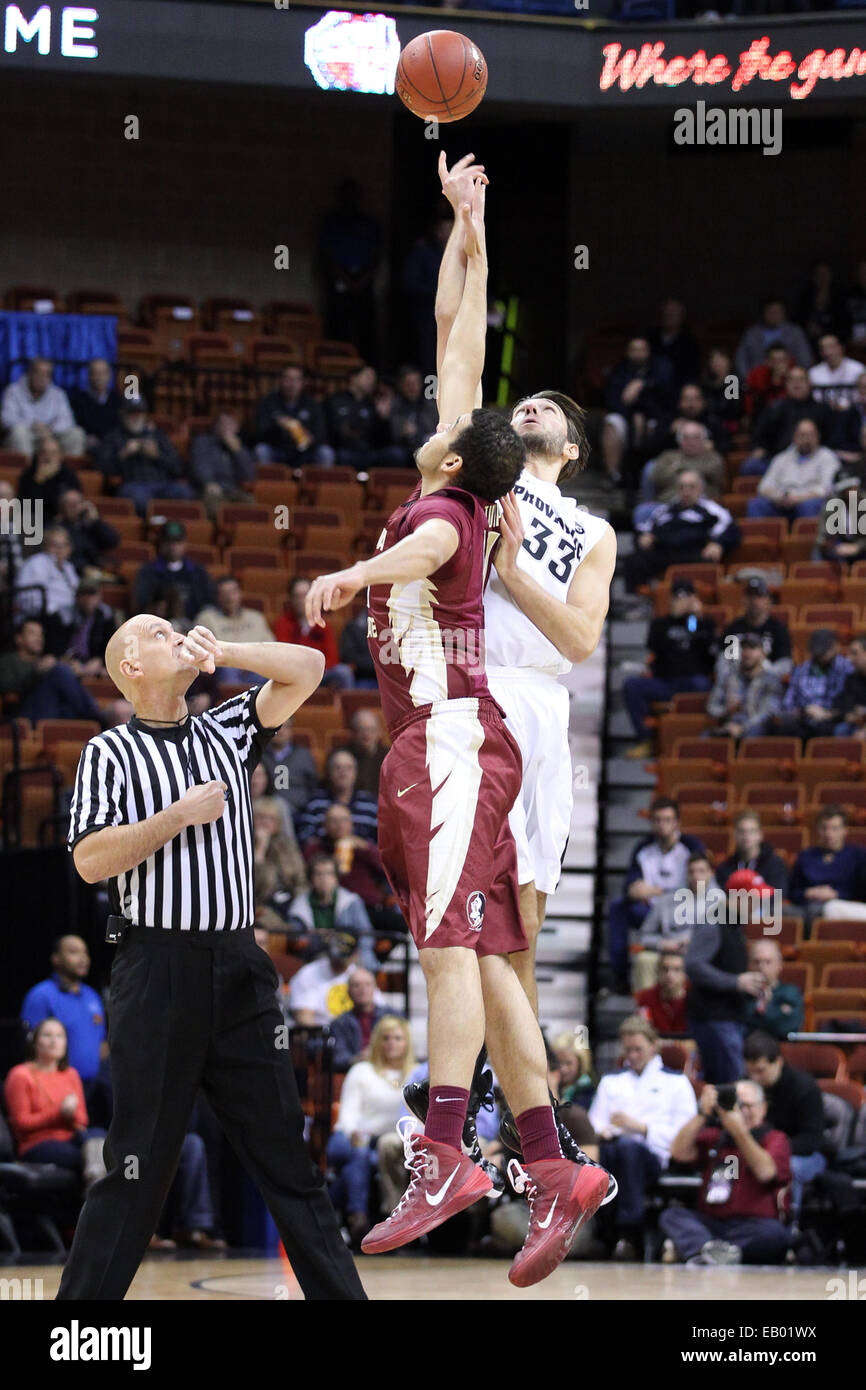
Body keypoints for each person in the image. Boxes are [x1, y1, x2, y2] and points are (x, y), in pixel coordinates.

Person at [305, 165, 610, 1285]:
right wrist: (468, 231)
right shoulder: (465, 476)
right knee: (486, 960)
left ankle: (448, 1151)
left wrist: (348, 573)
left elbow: (460, 370)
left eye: (477, 414)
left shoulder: (459, 500)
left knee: (462, 953)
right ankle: (547, 1158)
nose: (476, 404)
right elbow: (454, 332)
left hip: (471, 733)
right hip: (472, 731)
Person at [56, 611, 366, 1300]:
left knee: (290, 1161)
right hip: (155, 970)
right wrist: (175, 818)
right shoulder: (110, 752)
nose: (178, 636)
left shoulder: (225, 727)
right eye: (158, 634)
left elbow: (309, 669)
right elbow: (87, 860)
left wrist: (226, 650)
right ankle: (76, 1330)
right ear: (130, 666)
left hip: (238, 970)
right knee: (136, 1167)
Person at [588, 1016, 697, 1261]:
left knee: (628, 1149)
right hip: (613, 1149)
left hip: (653, 1155)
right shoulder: (611, 1081)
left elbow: (685, 1134)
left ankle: (629, 1231)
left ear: (653, 1045)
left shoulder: (676, 1082)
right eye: (628, 1050)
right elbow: (595, 1122)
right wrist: (603, 1131)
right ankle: (602, 1230)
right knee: (603, 1154)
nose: (633, 1055)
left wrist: (643, 1128)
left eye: (638, 1049)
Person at [661, 1079, 791, 1265]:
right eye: (737, 1105)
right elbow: (678, 1153)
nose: (742, 1111)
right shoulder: (716, 1136)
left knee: (775, 1234)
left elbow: (766, 1172)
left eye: (748, 1105)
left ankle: (710, 1252)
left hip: (753, 1225)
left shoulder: (775, 1138)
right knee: (672, 1216)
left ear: (763, 1108)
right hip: (710, 1223)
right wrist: (701, 1114)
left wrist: (738, 1130)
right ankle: (711, 1250)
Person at [326, 1015, 415, 1247]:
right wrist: (354, 1132)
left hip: (395, 1139)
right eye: (385, 1038)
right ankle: (357, 1217)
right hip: (355, 1136)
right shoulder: (362, 1070)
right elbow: (348, 1113)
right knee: (359, 1153)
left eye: (397, 1038)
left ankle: (340, 1216)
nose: (391, 1043)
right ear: (376, 1041)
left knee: (363, 1158)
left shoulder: (415, 1074)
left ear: (406, 1042)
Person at [608, 797, 705, 993]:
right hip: (650, 909)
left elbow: (700, 880)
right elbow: (633, 889)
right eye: (657, 820)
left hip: (683, 907)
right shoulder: (643, 848)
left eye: (667, 819)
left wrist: (654, 890)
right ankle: (620, 975)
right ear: (651, 822)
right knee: (618, 906)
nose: (662, 825)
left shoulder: (691, 845)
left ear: (677, 822)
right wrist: (650, 892)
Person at [622, 579, 718, 757]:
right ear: (671, 600)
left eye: (686, 597)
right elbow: (655, 647)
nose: (682, 601)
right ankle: (646, 740)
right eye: (678, 598)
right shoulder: (660, 624)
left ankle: (704, 737)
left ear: (694, 599)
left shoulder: (706, 624)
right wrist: (674, 618)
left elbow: (713, 652)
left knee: (703, 685)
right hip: (665, 682)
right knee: (632, 686)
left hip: (695, 682)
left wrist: (697, 619)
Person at [3, 1019, 104, 1183]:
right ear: (35, 1042)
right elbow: (21, 1124)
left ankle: (96, 1195)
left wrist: (71, 1114)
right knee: (89, 1157)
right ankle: (97, 1201)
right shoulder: (20, 1075)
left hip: (71, 1136)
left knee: (99, 1134)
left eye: (59, 1036)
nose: (54, 1041)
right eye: (47, 1035)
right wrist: (59, 1112)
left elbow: (83, 1120)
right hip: (37, 1143)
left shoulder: (71, 1074)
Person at [744, 1031, 826, 1221]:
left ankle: (788, 1225)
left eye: (761, 1071)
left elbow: (812, 1140)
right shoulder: (746, 1087)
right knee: (731, 1160)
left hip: (802, 1154)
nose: (755, 1078)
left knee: (789, 1167)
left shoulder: (805, 1088)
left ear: (778, 1061)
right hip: (758, 1149)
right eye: (751, 1071)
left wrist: (775, 1151)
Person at [685, 882, 760, 1083]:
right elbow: (693, 965)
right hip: (713, 1017)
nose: (756, 906)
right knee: (730, 1082)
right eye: (753, 900)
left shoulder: (734, 925)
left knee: (729, 1080)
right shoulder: (713, 923)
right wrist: (735, 982)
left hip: (728, 1016)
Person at [20, 935, 107, 1103]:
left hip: (93, 1089)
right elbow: (30, 1047)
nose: (83, 958)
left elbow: (102, 1041)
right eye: (74, 952)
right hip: (55, 1090)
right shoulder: (41, 995)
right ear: (56, 959)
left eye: (85, 952)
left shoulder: (92, 996)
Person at [625, 471, 740, 592]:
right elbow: (644, 530)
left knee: (707, 561)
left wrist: (718, 543)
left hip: (694, 552)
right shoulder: (664, 511)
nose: (686, 491)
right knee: (634, 561)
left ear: (701, 489)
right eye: (682, 487)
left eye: (691, 486)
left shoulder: (711, 510)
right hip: (665, 552)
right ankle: (637, 602)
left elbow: (731, 529)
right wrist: (643, 537)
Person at [303, 803, 402, 937]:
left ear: (351, 824)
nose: (339, 825)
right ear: (325, 825)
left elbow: (390, 871)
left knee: (401, 924)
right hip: (334, 907)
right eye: (333, 821)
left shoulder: (362, 847)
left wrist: (366, 848)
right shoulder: (316, 849)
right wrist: (333, 863)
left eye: (344, 820)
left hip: (368, 906)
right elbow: (308, 876)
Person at [631, 851, 722, 992]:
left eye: (701, 871)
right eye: (691, 871)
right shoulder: (667, 900)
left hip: (700, 956)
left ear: (711, 873)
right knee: (644, 959)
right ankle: (646, 1009)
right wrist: (663, 944)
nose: (696, 876)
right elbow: (642, 937)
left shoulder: (721, 903)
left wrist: (694, 944)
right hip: (666, 953)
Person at [99, 397, 193, 515]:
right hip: (133, 484)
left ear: (144, 415)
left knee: (184, 493)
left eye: (138, 413)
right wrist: (124, 454)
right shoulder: (114, 437)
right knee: (138, 498)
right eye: (131, 414)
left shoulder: (158, 436)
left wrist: (158, 455)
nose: (135, 418)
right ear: (123, 415)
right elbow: (103, 467)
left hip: (162, 484)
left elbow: (178, 467)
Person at [0, 617, 104, 723]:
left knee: (69, 708)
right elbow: (8, 689)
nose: (39, 638)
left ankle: (96, 719)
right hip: (24, 711)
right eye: (32, 633)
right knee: (59, 671)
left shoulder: (44, 660)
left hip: (50, 709)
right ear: (19, 638)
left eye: (41, 634)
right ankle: (99, 718)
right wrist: (36, 672)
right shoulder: (7, 661)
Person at [602, 336, 675, 481]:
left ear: (648, 351)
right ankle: (613, 476)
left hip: (655, 418)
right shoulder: (620, 371)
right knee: (611, 422)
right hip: (625, 416)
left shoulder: (658, 369)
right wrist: (631, 413)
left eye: (642, 349)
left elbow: (666, 397)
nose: (638, 353)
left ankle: (654, 478)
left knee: (654, 426)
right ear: (628, 352)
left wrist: (642, 385)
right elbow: (612, 402)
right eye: (634, 350)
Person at [285, 855, 376, 969]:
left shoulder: (351, 901)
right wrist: (320, 939)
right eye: (318, 874)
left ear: (336, 878)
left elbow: (367, 936)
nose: (324, 879)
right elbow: (297, 941)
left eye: (329, 873)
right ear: (310, 878)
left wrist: (349, 949)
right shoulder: (299, 906)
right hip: (316, 957)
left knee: (364, 965)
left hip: (350, 956)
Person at [743, 364, 832, 476]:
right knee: (751, 466)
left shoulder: (822, 410)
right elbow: (759, 436)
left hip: (815, 462)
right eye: (792, 380)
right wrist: (758, 448)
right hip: (779, 463)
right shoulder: (775, 408)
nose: (796, 384)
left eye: (801, 379)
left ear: (809, 383)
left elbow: (830, 440)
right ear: (786, 384)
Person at [634, 421, 724, 528]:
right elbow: (657, 477)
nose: (691, 442)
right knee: (642, 511)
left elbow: (714, 473)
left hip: (699, 505)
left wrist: (677, 469)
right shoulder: (668, 456)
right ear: (679, 440)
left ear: (704, 440)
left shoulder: (713, 458)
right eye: (686, 438)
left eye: (696, 437)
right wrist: (696, 471)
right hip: (667, 504)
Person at [746, 418, 838, 521]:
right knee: (756, 505)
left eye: (811, 435)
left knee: (809, 506)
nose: (807, 439)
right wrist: (779, 497)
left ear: (818, 437)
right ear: (794, 437)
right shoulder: (781, 458)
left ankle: (806, 537)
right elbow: (763, 487)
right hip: (781, 502)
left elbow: (826, 489)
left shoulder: (827, 457)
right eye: (802, 435)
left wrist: (797, 498)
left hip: (809, 502)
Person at [789, 804, 866, 926]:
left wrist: (837, 894)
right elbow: (792, 891)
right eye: (824, 828)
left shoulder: (858, 855)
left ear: (844, 830)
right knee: (773, 911)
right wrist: (807, 893)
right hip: (806, 907)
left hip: (840, 907)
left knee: (830, 908)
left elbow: (861, 891)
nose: (829, 834)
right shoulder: (806, 856)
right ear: (818, 830)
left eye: (834, 828)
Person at [773, 629, 852, 743]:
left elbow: (850, 704)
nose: (820, 655)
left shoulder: (847, 669)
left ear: (836, 646)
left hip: (833, 718)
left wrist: (827, 714)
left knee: (829, 729)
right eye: (817, 651)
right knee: (781, 727)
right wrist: (802, 711)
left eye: (824, 651)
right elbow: (788, 703)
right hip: (803, 718)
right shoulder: (801, 670)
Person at [274, 576, 354, 689]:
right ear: (291, 599)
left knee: (344, 672)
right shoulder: (283, 623)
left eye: (305, 596)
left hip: (320, 673)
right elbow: (284, 655)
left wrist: (316, 670)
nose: (301, 600)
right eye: (297, 596)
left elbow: (332, 657)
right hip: (292, 672)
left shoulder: (322, 623)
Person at [704, 631, 784, 740]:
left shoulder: (771, 680)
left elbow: (767, 713)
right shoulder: (728, 677)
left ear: (762, 653)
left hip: (756, 728)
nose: (747, 652)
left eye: (752, 648)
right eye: (743, 648)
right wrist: (726, 710)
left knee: (753, 736)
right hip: (729, 726)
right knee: (705, 738)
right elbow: (711, 707)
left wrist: (742, 727)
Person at [325, 364, 405, 472]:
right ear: (354, 378)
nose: (372, 381)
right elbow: (334, 432)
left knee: (396, 454)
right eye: (368, 376)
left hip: (369, 452)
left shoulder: (372, 404)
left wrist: (383, 419)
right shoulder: (335, 401)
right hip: (346, 451)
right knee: (339, 455)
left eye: (374, 378)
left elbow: (382, 440)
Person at [288, 926, 372, 1028]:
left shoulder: (360, 976)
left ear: (355, 954)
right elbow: (303, 1018)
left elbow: (375, 1009)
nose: (338, 962)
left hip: (354, 1034)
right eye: (336, 957)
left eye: (343, 958)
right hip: (320, 1035)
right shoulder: (308, 974)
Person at [1, 357, 86, 457]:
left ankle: (66, 472)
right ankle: (27, 471)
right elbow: (7, 419)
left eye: (47, 374)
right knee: (19, 432)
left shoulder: (58, 394)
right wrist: (33, 425)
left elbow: (67, 420)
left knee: (76, 434)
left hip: (51, 435)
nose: (42, 377)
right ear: (29, 373)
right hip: (27, 435)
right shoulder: (13, 391)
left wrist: (49, 429)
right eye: (38, 372)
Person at [195, 576, 275, 681]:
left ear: (240, 594)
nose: (230, 598)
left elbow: (271, 647)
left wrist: (252, 664)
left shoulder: (256, 618)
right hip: (225, 668)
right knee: (228, 672)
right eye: (224, 594)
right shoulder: (207, 618)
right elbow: (205, 651)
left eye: (233, 592)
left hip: (256, 667)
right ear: (217, 597)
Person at [133, 520, 215, 622]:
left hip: (195, 625)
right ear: (161, 543)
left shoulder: (198, 572)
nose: (173, 546)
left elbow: (209, 603)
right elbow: (142, 604)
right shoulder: (148, 571)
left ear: (185, 543)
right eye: (168, 541)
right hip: (160, 626)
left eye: (177, 541)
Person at [15, 525, 80, 652]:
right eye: (55, 545)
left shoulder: (69, 567)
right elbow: (27, 596)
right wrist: (52, 609)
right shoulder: (37, 563)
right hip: (43, 618)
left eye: (64, 545)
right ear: (46, 547)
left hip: (68, 618)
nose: (59, 550)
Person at [253, 365, 333, 467]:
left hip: (305, 451)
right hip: (278, 448)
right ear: (280, 381)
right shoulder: (268, 403)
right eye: (288, 379)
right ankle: (266, 482)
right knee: (261, 450)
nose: (291, 384)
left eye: (296, 380)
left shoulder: (312, 404)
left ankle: (323, 483)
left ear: (302, 383)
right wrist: (277, 426)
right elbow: (259, 434)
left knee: (326, 452)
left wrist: (311, 437)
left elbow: (321, 433)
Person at [296, 747, 378, 845]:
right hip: (324, 857)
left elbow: (380, 842)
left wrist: (360, 845)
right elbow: (304, 838)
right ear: (329, 772)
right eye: (337, 767)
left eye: (348, 768)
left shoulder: (370, 804)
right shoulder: (315, 803)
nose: (343, 773)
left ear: (356, 773)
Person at [721, 575, 792, 678]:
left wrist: (763, 674)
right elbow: (724, 661)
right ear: (744, 600)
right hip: (737, 681)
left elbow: (785, 663)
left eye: (759, 596)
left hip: (767, 682)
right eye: (750, 596)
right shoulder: (733, 629)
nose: (754, 601)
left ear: (768, 600)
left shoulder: (778, 629)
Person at [189, 412, 255, 519]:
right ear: (216, 426)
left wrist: (238, 453)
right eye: (223, 423)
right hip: (210, 488)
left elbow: (249, 476)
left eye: (230, 424)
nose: (226, 427)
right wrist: (208, 482)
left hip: (233, 489)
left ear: (237, 428)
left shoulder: (239, 447)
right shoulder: (203, 441)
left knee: (250, 502)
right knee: (213, 500)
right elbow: (200, 466)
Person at [327, 967, 389, 1072]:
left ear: (375, 988)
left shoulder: (392, 1016)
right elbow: (339, 1058)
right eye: (356, 985)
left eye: (367, 984)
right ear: (348, 991)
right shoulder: (339, 1024)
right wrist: (360, 1059)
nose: (362, 989)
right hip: (355, 1073)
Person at [714, 810, 789, 895]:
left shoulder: (775, 865)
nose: (746, 836)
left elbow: (779, 896)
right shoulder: (725, 867)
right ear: (735, 835)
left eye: (752, 831)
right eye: (742, 831)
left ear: (760, 835)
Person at [735, 299, 812, 381]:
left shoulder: (795, 332)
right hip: (758, 381)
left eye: (777, 312)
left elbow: (805, 359)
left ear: (784, 313)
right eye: (770, 312)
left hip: (789, 381)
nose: (774, 315)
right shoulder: (752, 333)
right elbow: (741, 360)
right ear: (764, 313)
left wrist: (796, 378)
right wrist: (748, 379)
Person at [743, 943, 804, 1040]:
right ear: (748, 965)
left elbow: (790, 1027)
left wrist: (763, 1009)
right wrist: (778, 1012)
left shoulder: (791, 993)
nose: (761, 967)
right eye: (756, 962)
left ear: (779, 965)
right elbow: (739, 1028)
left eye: (768, 962)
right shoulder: (741, 995)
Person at [16, 434, 80, 524]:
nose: (48, 457)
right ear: (38, 455)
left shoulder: (69, 476)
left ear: (61, 455)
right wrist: (39, 480)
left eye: (53, 453)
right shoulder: (28, 475)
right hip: (34, 523)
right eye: (44, 452)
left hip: (62, 524)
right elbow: (25, 507)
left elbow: (71, 507)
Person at [262, 716, 319, 815]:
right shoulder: (259, 754)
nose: (281, 731)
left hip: (300, 812)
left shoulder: (304, 755)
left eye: (285, 727)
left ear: (291, 730)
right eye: (277, 726)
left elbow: (313, 787)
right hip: (265, 812)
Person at [55, 488, 119, 573]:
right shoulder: (57, 529)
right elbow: (59, 555)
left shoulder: (91, 525)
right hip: (71, 571)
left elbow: (113, 541)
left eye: (78, 504)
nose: (75, 508)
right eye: (71, 505)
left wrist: (96, 521)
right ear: (63, 507)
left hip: (95, 570)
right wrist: (83, 568)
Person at [386, 364, 439, 462]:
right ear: (401, 386)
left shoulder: (430, 406)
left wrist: (419, 432)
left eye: (415, 383)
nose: (412, 388)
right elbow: (390, 434)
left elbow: (434, 431)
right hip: (402, 449)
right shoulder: (393, 405)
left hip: (425, 447)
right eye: (408, 384)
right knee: (395, 454)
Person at [64, 578, 116, 676]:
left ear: (99, 597)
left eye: (92, 594)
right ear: (77, 597)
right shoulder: (64, 616)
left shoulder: (105, 616)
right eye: (85, 594)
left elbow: (112, 647)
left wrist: (100, 660)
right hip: (70, 662)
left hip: (94, 663)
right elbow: (57, 648)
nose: (89, 599)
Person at [68, 358, 122, 452]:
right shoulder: (78, 400)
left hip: (112, 444)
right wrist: (86, 437)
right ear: (89, 376)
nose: (99, 377)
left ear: (109, 376)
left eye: (103, 373)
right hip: (88, 443)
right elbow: (74, 425)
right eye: (95, 373)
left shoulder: (117, 400)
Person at [647, 297, 701, 389]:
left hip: (679, 388)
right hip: (651, 386)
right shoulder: (650, 339)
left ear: (681, 316)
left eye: (674, 313)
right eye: (667, 312)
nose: (670, 316)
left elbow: (692, 373)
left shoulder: (690, 343)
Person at [636, 948, 690, 1036]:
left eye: (677, 970)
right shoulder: (645, 997)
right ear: (657, 972)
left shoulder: (695, 998)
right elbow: (643, 1032)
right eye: (665, 969)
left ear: (685, 974)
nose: (669, 975)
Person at [338, 708, 388, 797]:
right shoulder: (342, 756)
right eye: (362, 729)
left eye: (372, 730)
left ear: (379, 732)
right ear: (353, 732)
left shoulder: (389, 757)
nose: (367, 734)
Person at [808, 332, 863, 411]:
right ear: (820, 352)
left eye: (832, 347)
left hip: (853, 414)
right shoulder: (813, 373)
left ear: (841, 347)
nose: (828, 352)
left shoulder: (858, 369)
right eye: (824, 348)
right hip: (824, 415)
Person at [836, 633, 866, 736]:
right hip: (857, 724)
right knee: (841, 730)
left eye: (855, 653)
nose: (849, 658)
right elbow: (846, 709)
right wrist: (853, 716)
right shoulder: (851, 679)